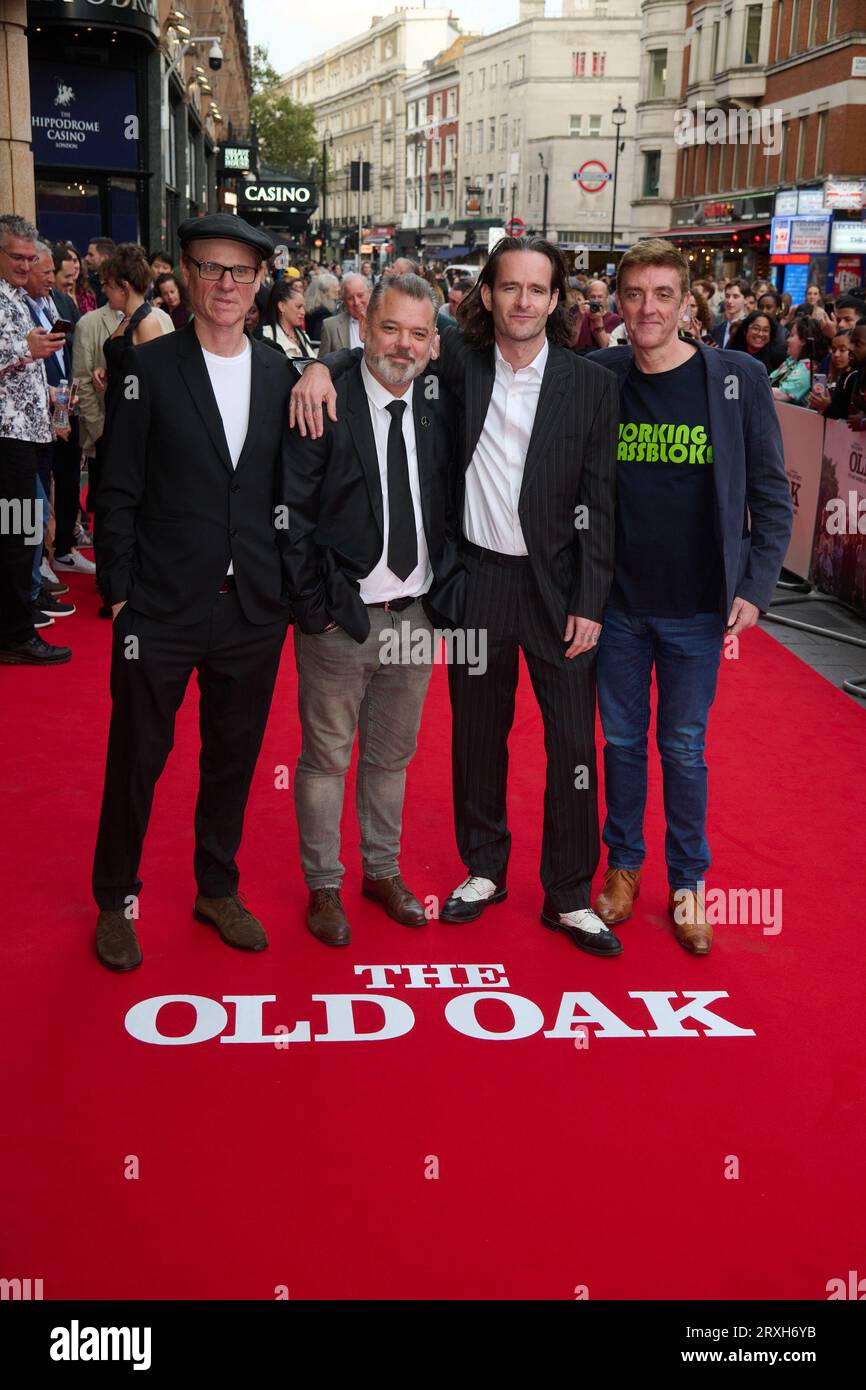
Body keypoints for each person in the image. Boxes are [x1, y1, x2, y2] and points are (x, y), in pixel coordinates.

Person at [293, 236, 621, 957]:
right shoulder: (458, 368)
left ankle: (568, 893)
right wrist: (321, 362)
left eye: (539, 289)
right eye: (510, 288)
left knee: (573, 744)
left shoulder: (591, 384)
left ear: (557, 299)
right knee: (478, 736)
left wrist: (591, 600)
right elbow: (386, 354)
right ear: (488, 296)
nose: (524, 301)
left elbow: (603, 502)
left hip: (559, 588)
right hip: (475, 582)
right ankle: (484, 868)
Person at [91, 214, 295, 971]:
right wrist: (119, 597)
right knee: (137, 756)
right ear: (185, 274)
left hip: (251, 610)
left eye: (240, 272)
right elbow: (115, 492)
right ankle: (115, 897)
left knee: (233, 759)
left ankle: (217, 886)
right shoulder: (151, 368)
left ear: (259, 282)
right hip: (161, 609)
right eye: (211, 269)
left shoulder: (281, 372)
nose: (226, 285)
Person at [587, 239, 792, 954]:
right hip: (614, 605)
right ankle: (622, 869)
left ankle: (688, 885)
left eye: (662, 295)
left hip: (699, 609)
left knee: (682, 746)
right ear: (619, 301)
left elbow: (771, 496)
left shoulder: (733, 379)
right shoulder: (599, 374)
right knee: (618, 741)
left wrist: (758, 589)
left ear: (686, 303)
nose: (647, 308)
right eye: (635, 294)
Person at [282, 274, 467, 945]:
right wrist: (314, 610)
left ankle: (381, 872)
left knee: (392, 759)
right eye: (391, 328)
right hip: (340, 616)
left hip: (416, 617)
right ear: (364, 327)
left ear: (434, 343)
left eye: (420, 333)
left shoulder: (439, 402)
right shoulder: (322, 400)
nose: (404, 345)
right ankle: (324, 885)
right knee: (326, 758)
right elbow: (292, 517)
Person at [82, 244, 173, 607]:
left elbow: (160, 383)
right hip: (116, 422)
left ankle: (129, 586)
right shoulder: (123, 320)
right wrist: (111, 374)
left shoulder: (148, 322)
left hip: (136, 432)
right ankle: (115, 584)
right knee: (107, 506)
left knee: (125, 507)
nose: (103, 291)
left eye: (106, 284)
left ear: (123, 284)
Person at [0, 214, 71, 665]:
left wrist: (48, 391)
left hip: (25, 436)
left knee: (21, 533)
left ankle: (17, 621)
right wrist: (29, 351)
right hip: (8, 441)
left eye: (31, 257)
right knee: (14, 533)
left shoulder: (16, 298)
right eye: (18, 257)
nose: (26, 265)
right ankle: (15, 632)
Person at [768, 316, 822, 405]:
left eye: (792, 335)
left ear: (804, 340)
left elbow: (780, 395)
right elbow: (769, 380)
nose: (788, 340)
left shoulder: (808, 368)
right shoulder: (790, 361)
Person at [316, 273, 370, 355]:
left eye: (360, 295)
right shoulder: (330, 326)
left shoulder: (384, 321)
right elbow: (322, 364)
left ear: (370, 293)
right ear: (344, 300)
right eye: (350, 298)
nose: (356, 302)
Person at [261, 279, 315, 359]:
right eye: (298, 307)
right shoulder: (268, 336)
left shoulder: (303, 336)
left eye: (303, 307)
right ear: (282, 306)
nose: (303, 312)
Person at [570, 277, 622, 353]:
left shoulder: (613, 318)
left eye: (600, 297)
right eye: (593, 297)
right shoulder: (580, 314)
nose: (596, 300)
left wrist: (598, 320)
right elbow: (571, 343)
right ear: (587, 298)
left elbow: (605, 346)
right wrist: (580, 318)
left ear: (607, 299)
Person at [807, 329, 853, 412]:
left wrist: (829, 406)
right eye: (834, 350)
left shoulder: (854, 377)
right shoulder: (828, 368)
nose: (836, 355)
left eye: (842, 350)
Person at [709, 277, 750, 347]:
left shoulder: (749, 328)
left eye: (735, 296)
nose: (729, 301)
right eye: (727, 296)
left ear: (746, 299)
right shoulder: (717, 330)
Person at [303, 271, 341, 343]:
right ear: (326, 290)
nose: (338, 289)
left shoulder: (315, 307)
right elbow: (320, 338)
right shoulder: (323, 311)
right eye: (335, 287)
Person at [84, 237, 115, 308]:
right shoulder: (88, 283)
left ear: (105, 258)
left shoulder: (119, 283)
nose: (86, 258)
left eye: (91, 255)